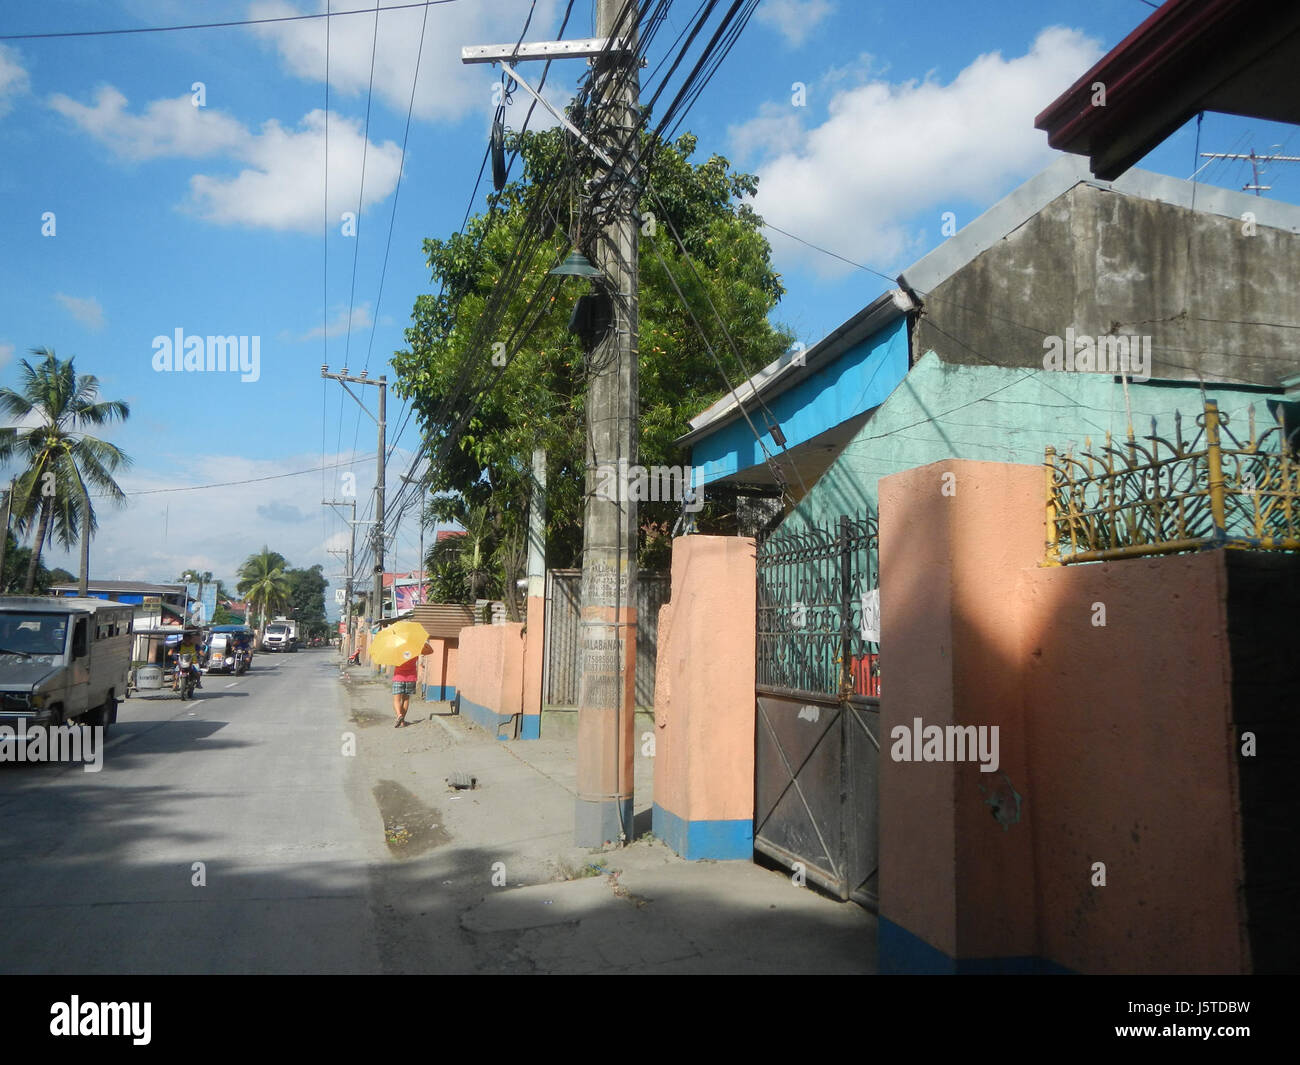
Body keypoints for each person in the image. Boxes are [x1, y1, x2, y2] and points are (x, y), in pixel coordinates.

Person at [392, 640, 434, 727]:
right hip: (411, 677)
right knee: (406, 699)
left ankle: (399, 716)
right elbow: (430, 651)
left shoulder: (397, 649)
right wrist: (424, 643)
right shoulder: (415, 649)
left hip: (398, 677)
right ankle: (403, 721)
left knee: (396, 700)